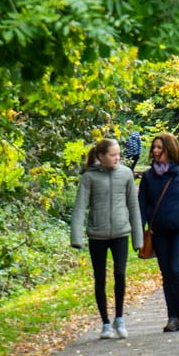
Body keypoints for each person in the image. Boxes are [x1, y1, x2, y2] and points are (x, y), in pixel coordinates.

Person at [70, 138, 142, 340]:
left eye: (118, 154)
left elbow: (133, 206)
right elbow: (80, 207)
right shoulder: (89, 177)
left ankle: (119, 317)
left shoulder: (126, 174)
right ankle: (105, 323)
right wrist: (77, 237)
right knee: (100, 278)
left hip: (121, 233)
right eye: (113, 155)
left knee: (120, 274)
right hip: (97, 234)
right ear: (101, 156)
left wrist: (138, 238)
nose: (117, 158)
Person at [139, 133, 179, 332]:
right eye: (154, 148)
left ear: (170, 149)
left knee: (175, 268)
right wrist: (141, 230)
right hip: (159, 230)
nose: (156, 151)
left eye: (160, 148)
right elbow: (142, 204)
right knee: (166, 273)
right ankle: (173, 317)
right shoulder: (148, 177)